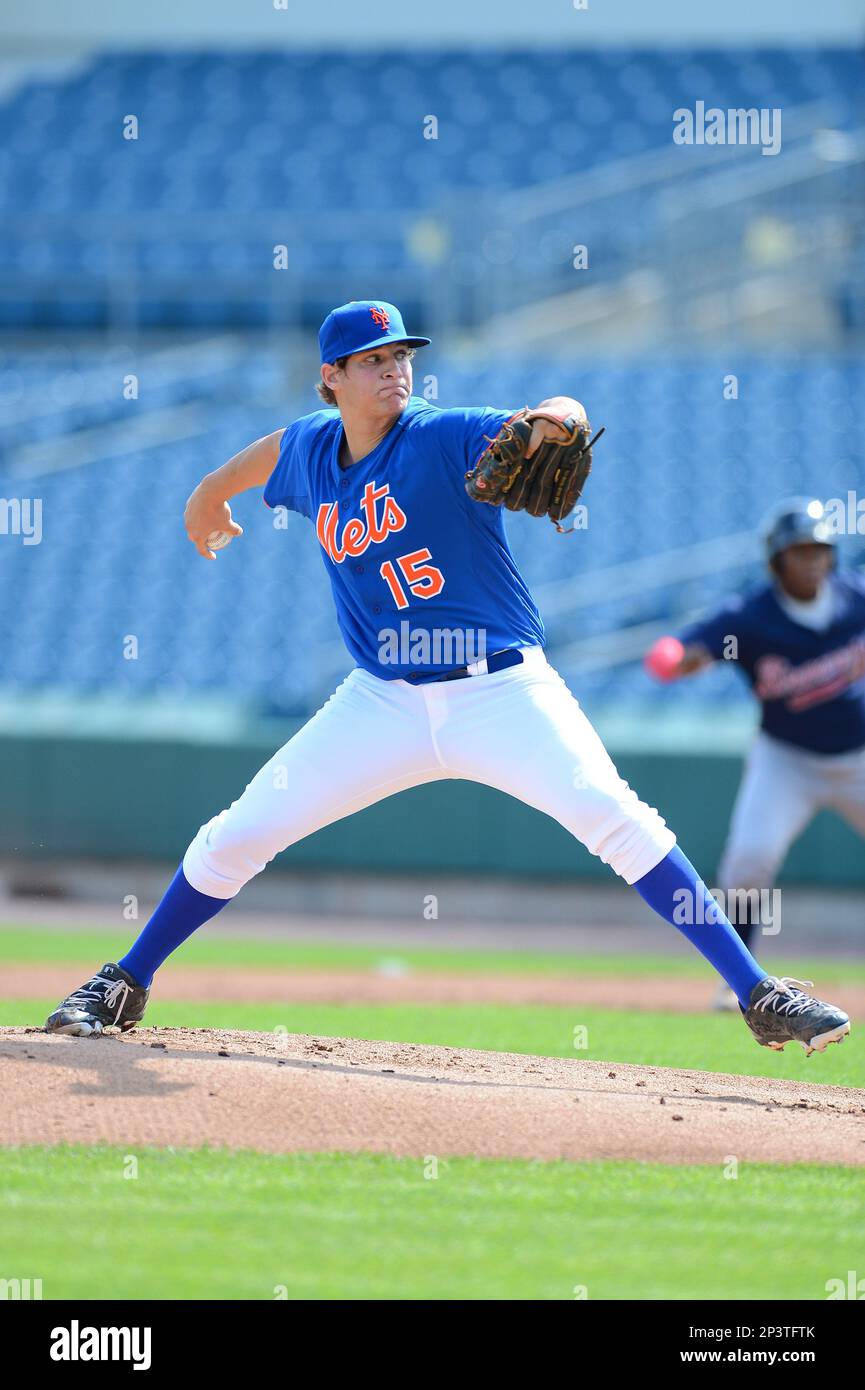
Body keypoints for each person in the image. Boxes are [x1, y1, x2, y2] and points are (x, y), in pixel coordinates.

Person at [45, 304, 850, 1057]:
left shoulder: (439, 436)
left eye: (400, 355)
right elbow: (259, 459)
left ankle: (756, 992)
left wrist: (554, 423)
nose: (394, 370)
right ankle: (124, 980)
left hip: (501, 691)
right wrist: (204, 495)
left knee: (618, 819)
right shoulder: (310, 449)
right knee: (243, 831)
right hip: (381, 701)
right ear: (330, 376)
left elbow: (556, 412)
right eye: (371, 360)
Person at [645, 498, 865, 1010]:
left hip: (858, 756)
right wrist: (682, 659)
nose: (811, 560)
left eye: (819, 550)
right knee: (749, 860)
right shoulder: (749, 616)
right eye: (799, 552)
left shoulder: (856, 597)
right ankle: (741, 980)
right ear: (776, 561)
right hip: (786, 760)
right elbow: (689, 647)